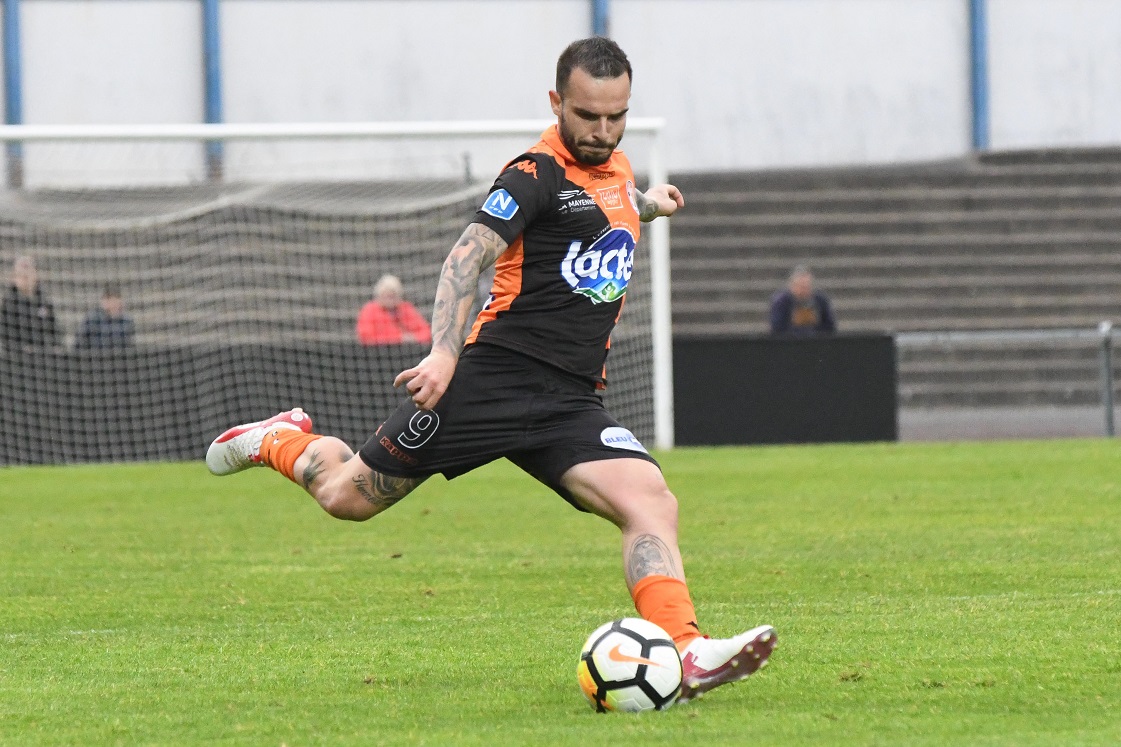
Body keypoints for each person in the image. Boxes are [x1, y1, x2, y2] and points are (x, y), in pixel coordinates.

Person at [206, 37, 775, 702]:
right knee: (346, 497)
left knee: (651, 502)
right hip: (490, 381)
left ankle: (686, 650)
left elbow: (613, 205)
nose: (601, 130)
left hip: (568, 400)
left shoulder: (615, 165)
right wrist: (444, 353)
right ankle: (279, 437)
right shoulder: (531, 175)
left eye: (615, 116)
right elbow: (463, 258)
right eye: (587, 115)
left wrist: (650, 203)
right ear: (556, 102)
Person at [0, 255, 60, 349]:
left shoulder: (44, 301)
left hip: (44, 355)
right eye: (21, 275)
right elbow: (6, 335)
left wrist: (55, 347)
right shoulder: (9, 304)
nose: (25, 278)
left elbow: (55, 329)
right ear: (13, 278)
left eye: (28, 274)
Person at [355, 274, 432, 345]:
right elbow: (365, 338)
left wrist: (413, 338)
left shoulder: (406, 308)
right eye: (387, 295)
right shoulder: (369, 310)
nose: (390, 299)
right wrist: (398, 338)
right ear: (379, 295)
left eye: (393, 295)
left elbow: (427, 333)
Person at [769, 264, 836, 336]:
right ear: (792, 286)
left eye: (807, 287)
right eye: (801, 287)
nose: (804, 291)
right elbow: (777, 328)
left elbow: (830, 327)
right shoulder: (781, 302)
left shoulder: (821, 300)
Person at [75, 284, 135, 348]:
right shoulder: (92, 319)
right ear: (103, 301)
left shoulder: (126, 321)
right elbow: (79, 343)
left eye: (116, 300)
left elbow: (129, 345)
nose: (113, 304)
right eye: (110, 300)